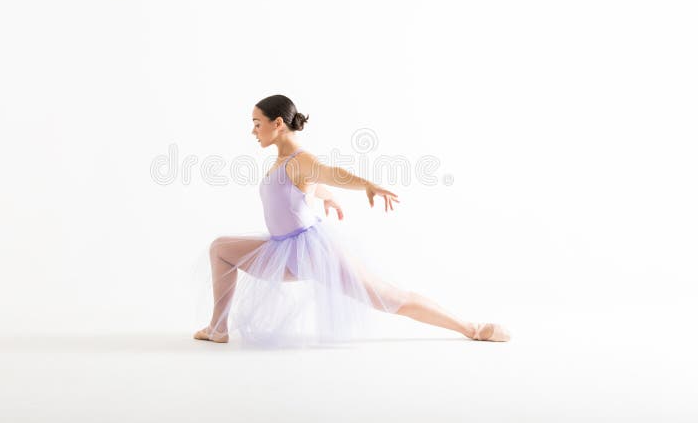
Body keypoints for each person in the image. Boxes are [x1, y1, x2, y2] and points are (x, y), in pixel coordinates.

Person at [193, 94, 511, 347]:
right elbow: (303, 187)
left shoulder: (299, 158)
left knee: (388, 298)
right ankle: (218, 329)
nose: (253, 131)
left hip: (313, 253)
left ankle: (472, 328)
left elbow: (332, 173)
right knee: (221, 248)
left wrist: (367, 186)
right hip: (282, 251)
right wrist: (325, 195)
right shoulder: (283, 161)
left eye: (256, 123)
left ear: (277, 123)